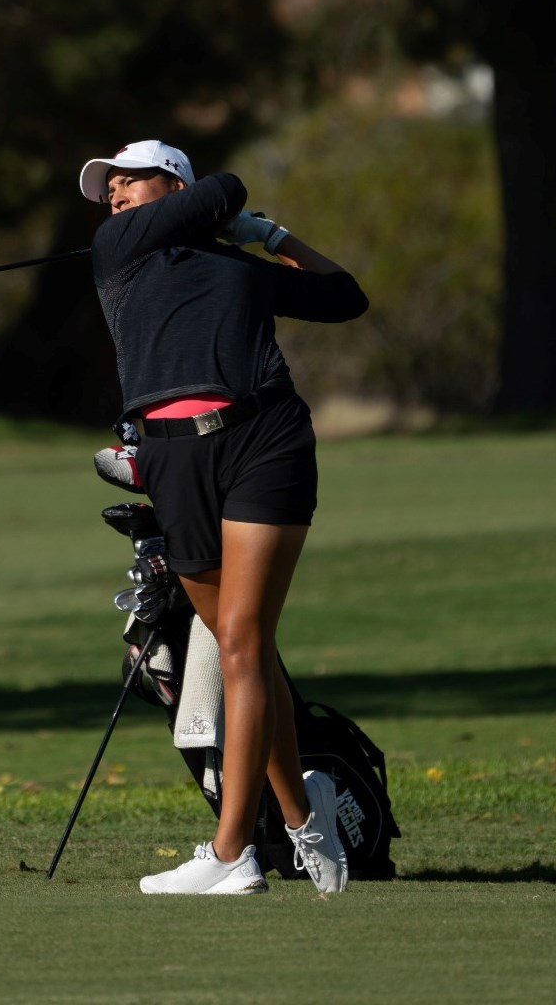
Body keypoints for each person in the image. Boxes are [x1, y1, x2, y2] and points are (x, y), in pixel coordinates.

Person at [78, 139, 369, 895]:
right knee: (250, 652)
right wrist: (230, 215)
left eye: (129, 180)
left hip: (264, 438)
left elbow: (343, 295)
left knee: (241, 642)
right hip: (174, 460)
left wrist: (271, 241)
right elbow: (226, 189)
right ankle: (306, 815)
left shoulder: (238, 266)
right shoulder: (119, 252)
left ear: (170, 182)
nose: (112, 195)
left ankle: (232, 851)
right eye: (107, 187)